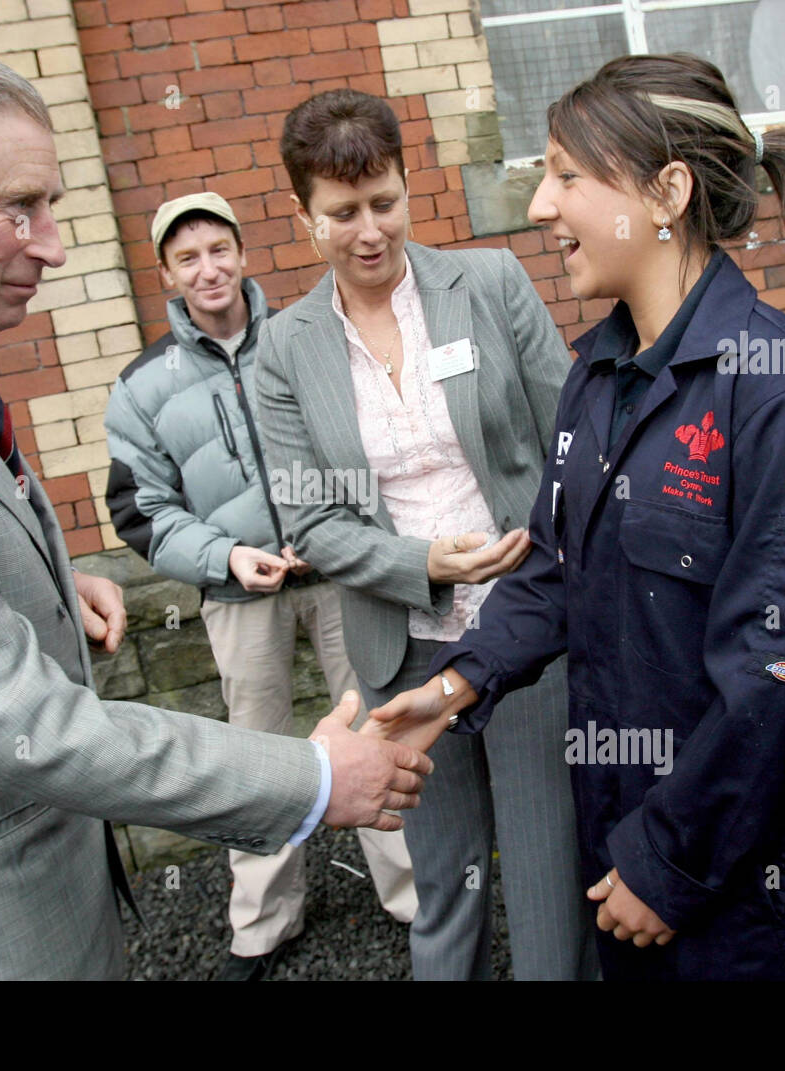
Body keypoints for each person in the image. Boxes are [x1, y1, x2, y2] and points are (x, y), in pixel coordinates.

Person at [0, 39, 432, 981]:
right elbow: (24, 724)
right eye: (19, 207)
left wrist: (46, 583)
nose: (52, 244)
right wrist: (314, 776)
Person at [366, 52, 785, 981]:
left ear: (666, 192)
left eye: (567, 175)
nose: (539, 207)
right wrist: (456, 684)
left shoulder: (782, 396)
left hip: (745, 901)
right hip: (624, 851)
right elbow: (555, 568)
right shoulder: (597, 374)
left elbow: (782, 676)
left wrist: (669, 861)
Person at [254, 89, 597, 980]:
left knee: (546, 866)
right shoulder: (284, 351)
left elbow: (574, 433)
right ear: (302, 216)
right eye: (342, 214)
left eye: (385, 202)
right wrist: (423, 563)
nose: (370, 231)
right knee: (447, 882)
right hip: (400, 649)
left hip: (521, 629)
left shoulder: (488, 284)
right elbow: (312, 521)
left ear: (408, 187)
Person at [104, 191, 417, 981]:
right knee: (257, 755)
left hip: (338, 574)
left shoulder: (300, 341)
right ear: (168, 276)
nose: (208, 269)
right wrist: (225, 558)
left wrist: (333, 527)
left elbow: (364, 441)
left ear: (242, 255)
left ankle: (415, 895)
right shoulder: (143, 384)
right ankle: (264, 921)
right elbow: (141, 511)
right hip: (240, 595)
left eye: (219, 250)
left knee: (376, 725)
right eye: (187, 258)